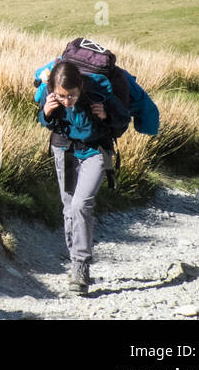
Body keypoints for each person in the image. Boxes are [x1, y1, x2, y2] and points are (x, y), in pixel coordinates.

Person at [36, 59, 130, 295]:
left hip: (98, 152)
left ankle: (80, 266)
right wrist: (45, 113)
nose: (68, 101)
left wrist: (107, 115)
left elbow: (123, 120)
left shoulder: (99, 92)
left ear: (81, 87)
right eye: (62, 96)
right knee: (69, 208)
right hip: (65, 151)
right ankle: (75, 263)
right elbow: (47, 123)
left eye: (73, 95)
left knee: (80, 205)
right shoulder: (50, 95)